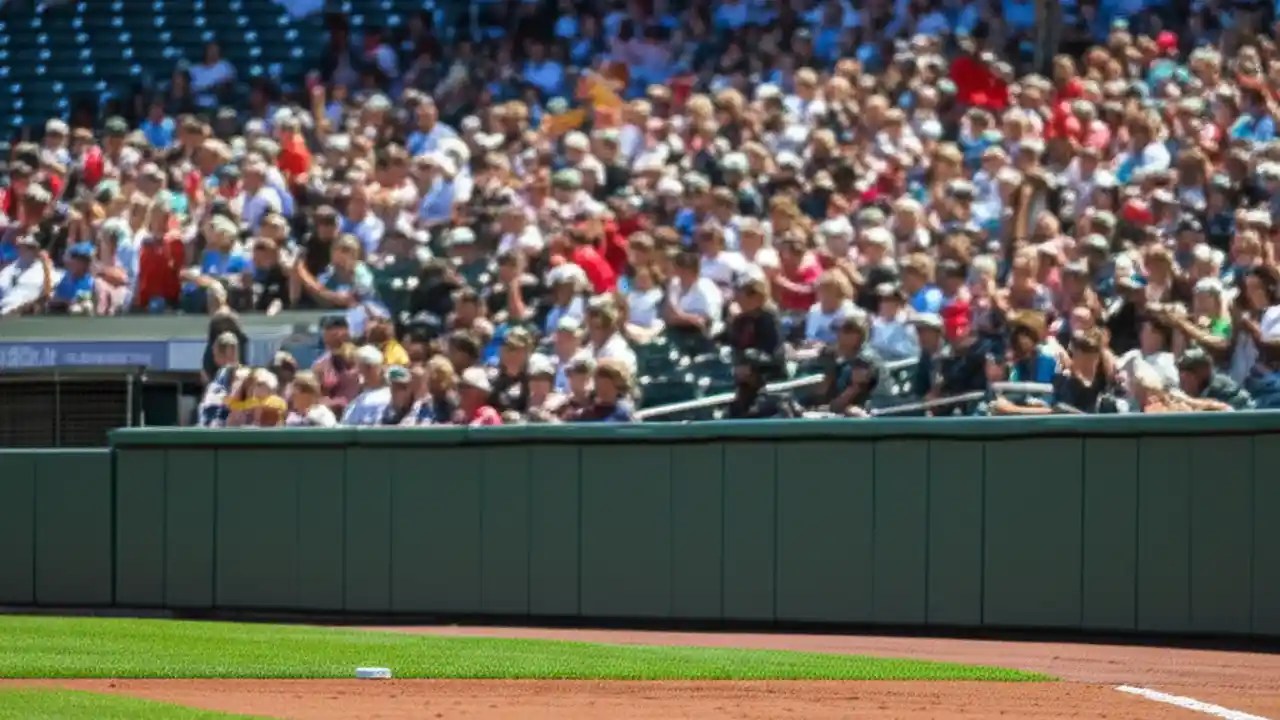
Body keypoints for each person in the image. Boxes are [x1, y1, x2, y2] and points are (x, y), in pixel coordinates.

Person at [341, 345, 392, 426]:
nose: (355, 371)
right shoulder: (356, 401)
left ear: (370, 369)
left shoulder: (387, 397)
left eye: (358, 366)